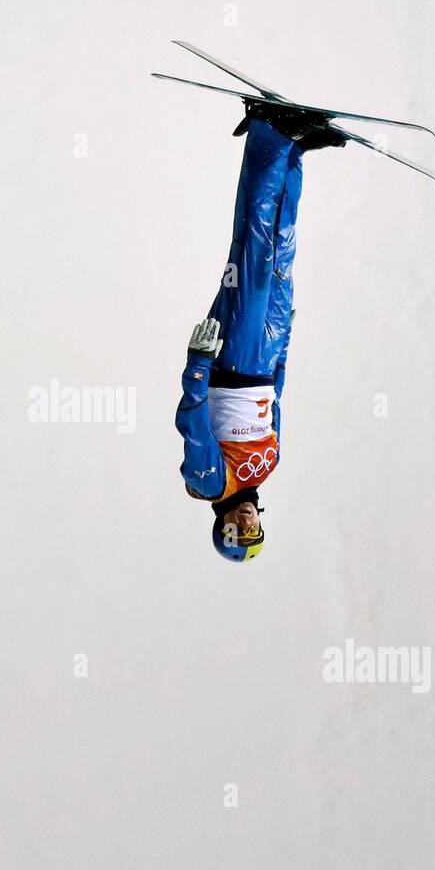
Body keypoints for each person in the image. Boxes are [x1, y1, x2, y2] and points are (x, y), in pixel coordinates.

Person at [175, 102, 344, 561]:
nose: (247, 524)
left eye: (238, 530)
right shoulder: (266, 470)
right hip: (264, 361)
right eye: (254, 532)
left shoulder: (210, 483)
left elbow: (192, 421)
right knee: (282, 254)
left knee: (254, 247)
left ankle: (267, 134)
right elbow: (275, 404)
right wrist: (283, 345)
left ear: (223, 525)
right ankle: (293, 153)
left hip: (234, 359)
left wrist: (198, 362)